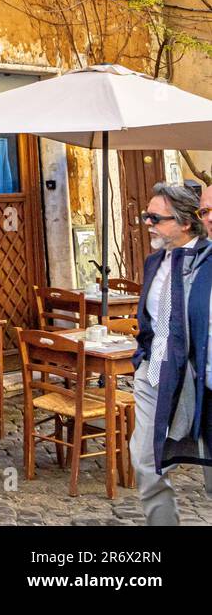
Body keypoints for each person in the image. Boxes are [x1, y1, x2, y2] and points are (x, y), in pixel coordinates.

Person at [130, 182, 212, 525]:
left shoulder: (206, 262)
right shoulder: (153, 263)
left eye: (156, 218)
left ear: (185, 222)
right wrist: (143, 358)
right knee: (145, 460)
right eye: (146, 216)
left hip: (196, 380)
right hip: (153, 373)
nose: (148, 223)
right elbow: (149, 321)